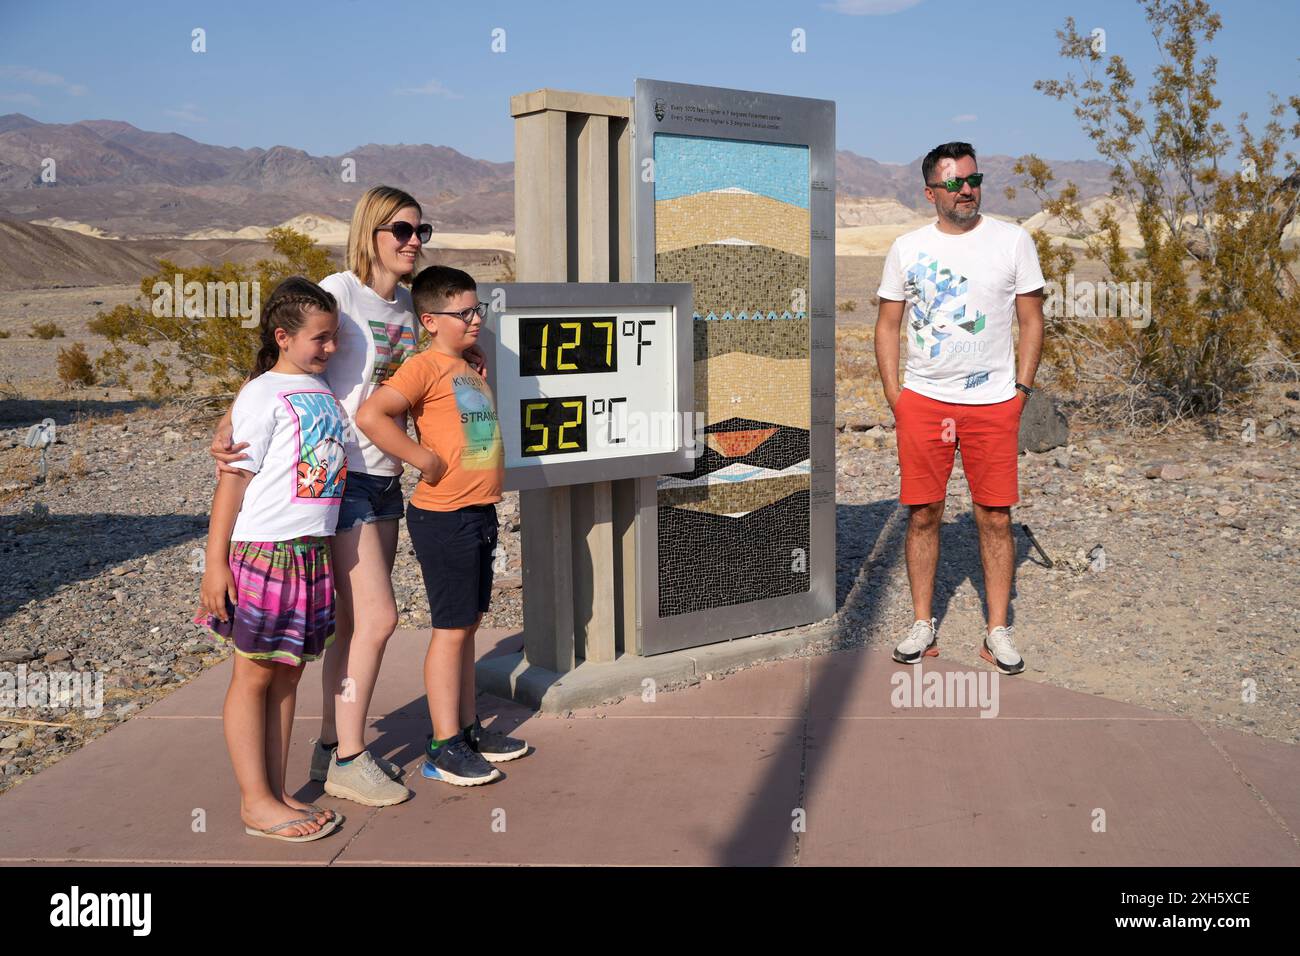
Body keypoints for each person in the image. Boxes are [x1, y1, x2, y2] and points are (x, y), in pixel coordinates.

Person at [209, 187, 485, 807]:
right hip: (342, 478)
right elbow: (282, 357)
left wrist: (478, 352)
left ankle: (335, 744)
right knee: (379, 619)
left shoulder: (411, 307)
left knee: (357, 624)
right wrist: (231, 419)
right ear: (371, 231)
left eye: (421, 231)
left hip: (384, 477)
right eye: (401, 230)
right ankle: (350, 756)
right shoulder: (339, 290)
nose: (414, 241)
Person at [874, 142, 1045, 675]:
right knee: (923, 512)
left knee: (995, 516)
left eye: (973, 179)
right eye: (954, 183)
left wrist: (1019, 392)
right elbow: (886, 325)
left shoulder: (1013, 241)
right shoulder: (907, 247)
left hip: (993, 403)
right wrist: (896, 397)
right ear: (931, 193)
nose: (967, 189)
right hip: (924, 402)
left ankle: (997, 631)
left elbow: (1032, 322)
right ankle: (923, 624)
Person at [356, 265, 528, 786]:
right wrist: (423, 461)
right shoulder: (424, 366)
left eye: (478, 309)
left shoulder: (467, 366)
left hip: (478, 510)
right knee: (450, 631)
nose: (476, 319)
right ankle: (442, 746)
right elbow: (371, 415)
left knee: (468, 625)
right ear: (430, 319)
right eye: (465, 312)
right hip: (444, 515)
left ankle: (468, 727)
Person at [197, 277, 348, 843]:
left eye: (334, 338)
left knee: (288, 674)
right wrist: (216, 565)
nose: (329, 349)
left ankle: (277, 790)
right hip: (265, 553)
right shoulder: (262, 394)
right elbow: (231, 484)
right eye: (320, 338)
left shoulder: (320, 387)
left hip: (309, 552)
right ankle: (254, 801)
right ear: (283, 337)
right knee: (254, 675)